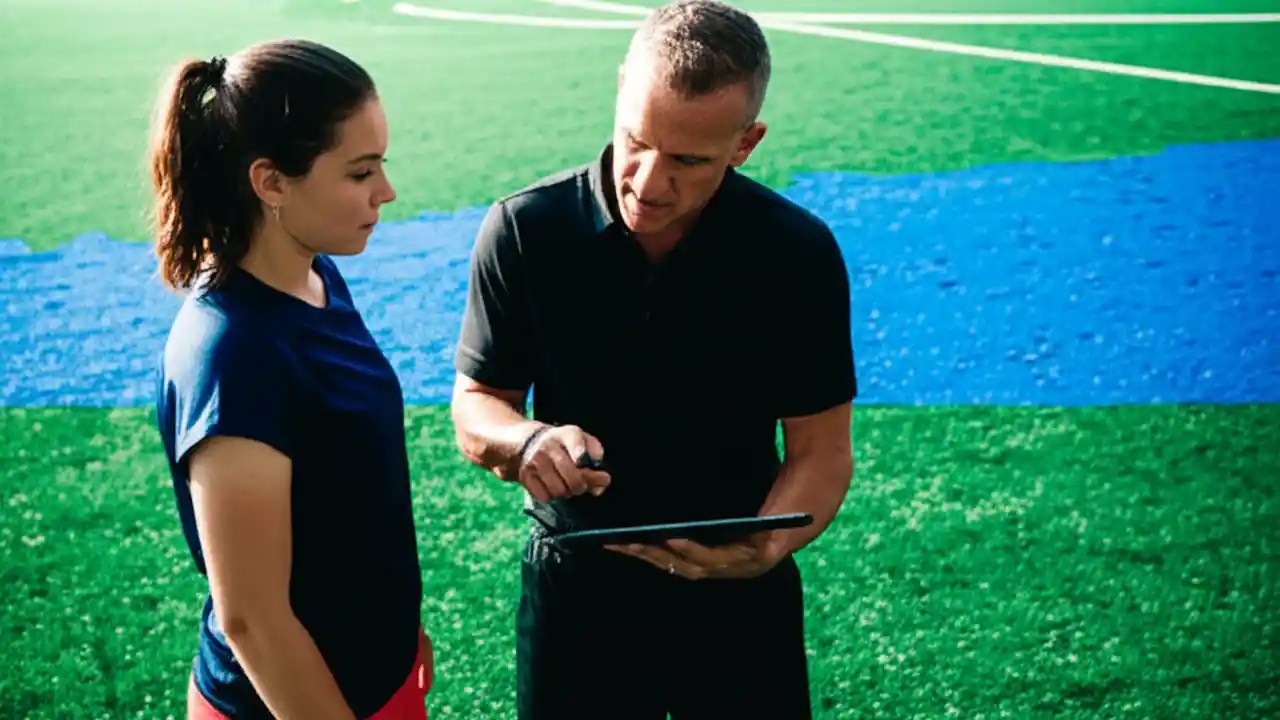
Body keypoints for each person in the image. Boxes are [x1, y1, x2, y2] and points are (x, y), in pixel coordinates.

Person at [450, 2, 856, 717]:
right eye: (636, 140)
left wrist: (759, 553)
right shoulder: (526, 229)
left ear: (746, 143)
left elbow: (822, 453)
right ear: (618, 92)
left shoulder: (796, 254)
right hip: (578, 588)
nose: (648, 180)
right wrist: (529, 441)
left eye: (688, 159)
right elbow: (476, 403)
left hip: (740, 596)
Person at [150, 39, 432, 719]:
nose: (385, 192)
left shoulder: (313, 275)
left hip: (372, 679)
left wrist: (395, 639)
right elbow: (253, 619)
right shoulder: (232, 355)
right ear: (271, 182)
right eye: (360, 172)